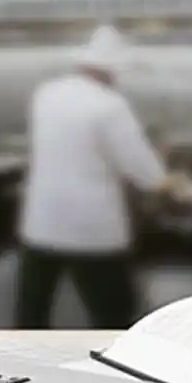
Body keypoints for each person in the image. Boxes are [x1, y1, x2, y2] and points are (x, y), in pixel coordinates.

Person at [16, 25, 174, 329]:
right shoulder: (109, 105)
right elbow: (139, 166)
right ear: (111, 71)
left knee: (31, 314)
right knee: (113, 316)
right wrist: (163, 182)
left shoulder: (46, 94)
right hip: (90, 228)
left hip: (42, 221)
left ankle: (18, 368)